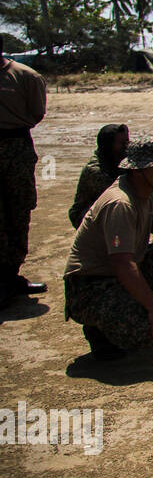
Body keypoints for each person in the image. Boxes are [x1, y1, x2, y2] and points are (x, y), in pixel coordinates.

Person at [63, 139, 153, 359]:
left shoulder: (148, 191)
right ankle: (98, 330)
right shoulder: (120, 202)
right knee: (146, 336)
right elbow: (122, 263)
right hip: (91, 287)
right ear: (139, 171)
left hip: (120, 276)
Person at [0, 46, 48, 307]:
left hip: (15, 144)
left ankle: (11, 275)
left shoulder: (26, 76)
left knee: (19, 209)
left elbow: (36, 113)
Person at [69, 123, 129, 227]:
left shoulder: (120, 159)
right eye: (121, 143)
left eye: (127, 142)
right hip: (87, 215)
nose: (126, 146)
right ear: (109, 145)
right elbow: (120, 193)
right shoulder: (95, 170)